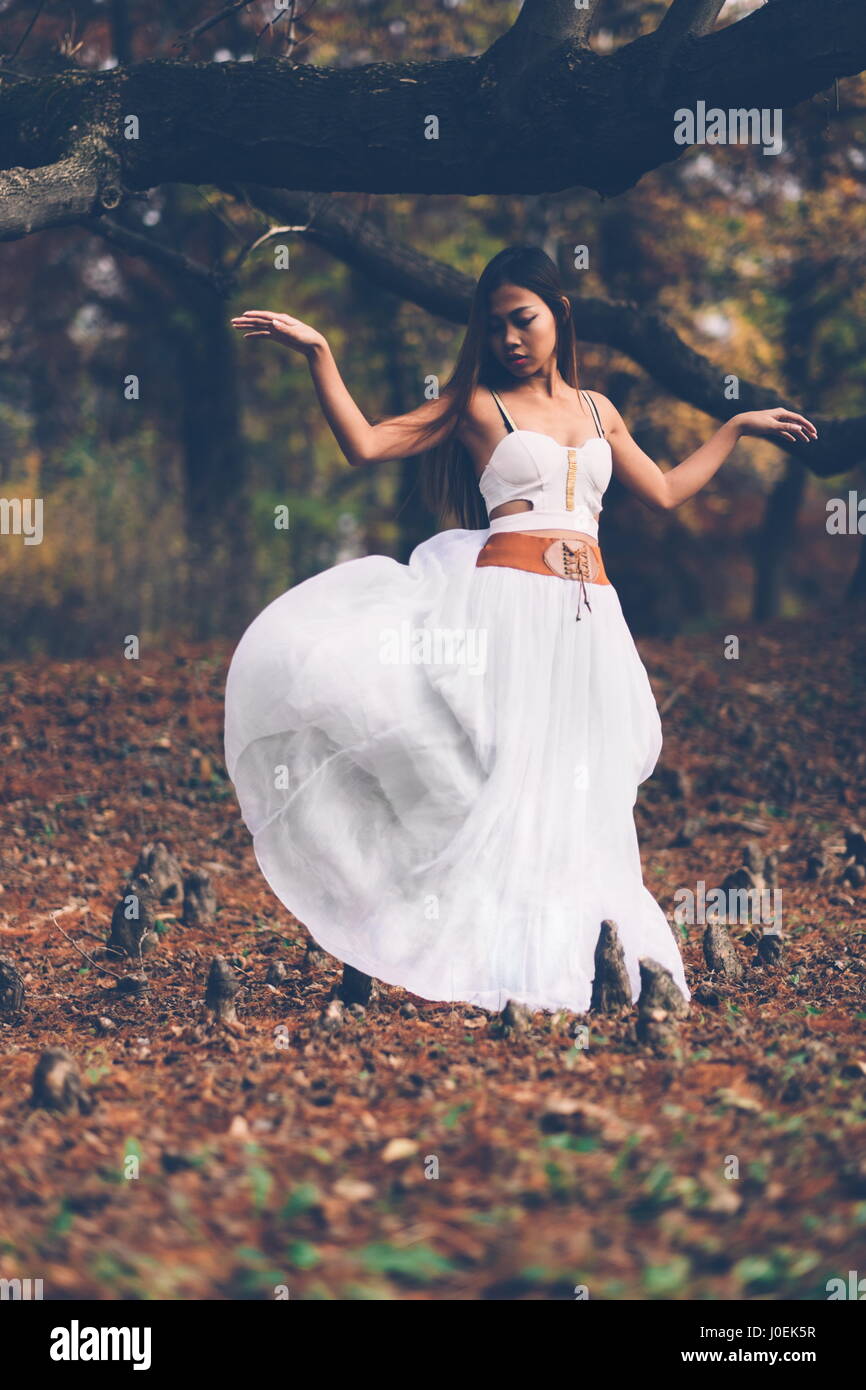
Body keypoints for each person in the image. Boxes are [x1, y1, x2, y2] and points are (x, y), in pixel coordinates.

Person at [224, 245, 816, 1015]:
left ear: (557, 316)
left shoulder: (601, 409)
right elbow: (365, 443)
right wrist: (321, 354)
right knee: (510, 775)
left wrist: (734, 427)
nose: (509, 338)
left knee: (586, 786)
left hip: (590, 617)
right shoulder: (476, 405)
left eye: (523, 319)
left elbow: (666, 491)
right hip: (506, 606)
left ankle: (584, 952)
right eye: (495, 324)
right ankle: (485, 947)